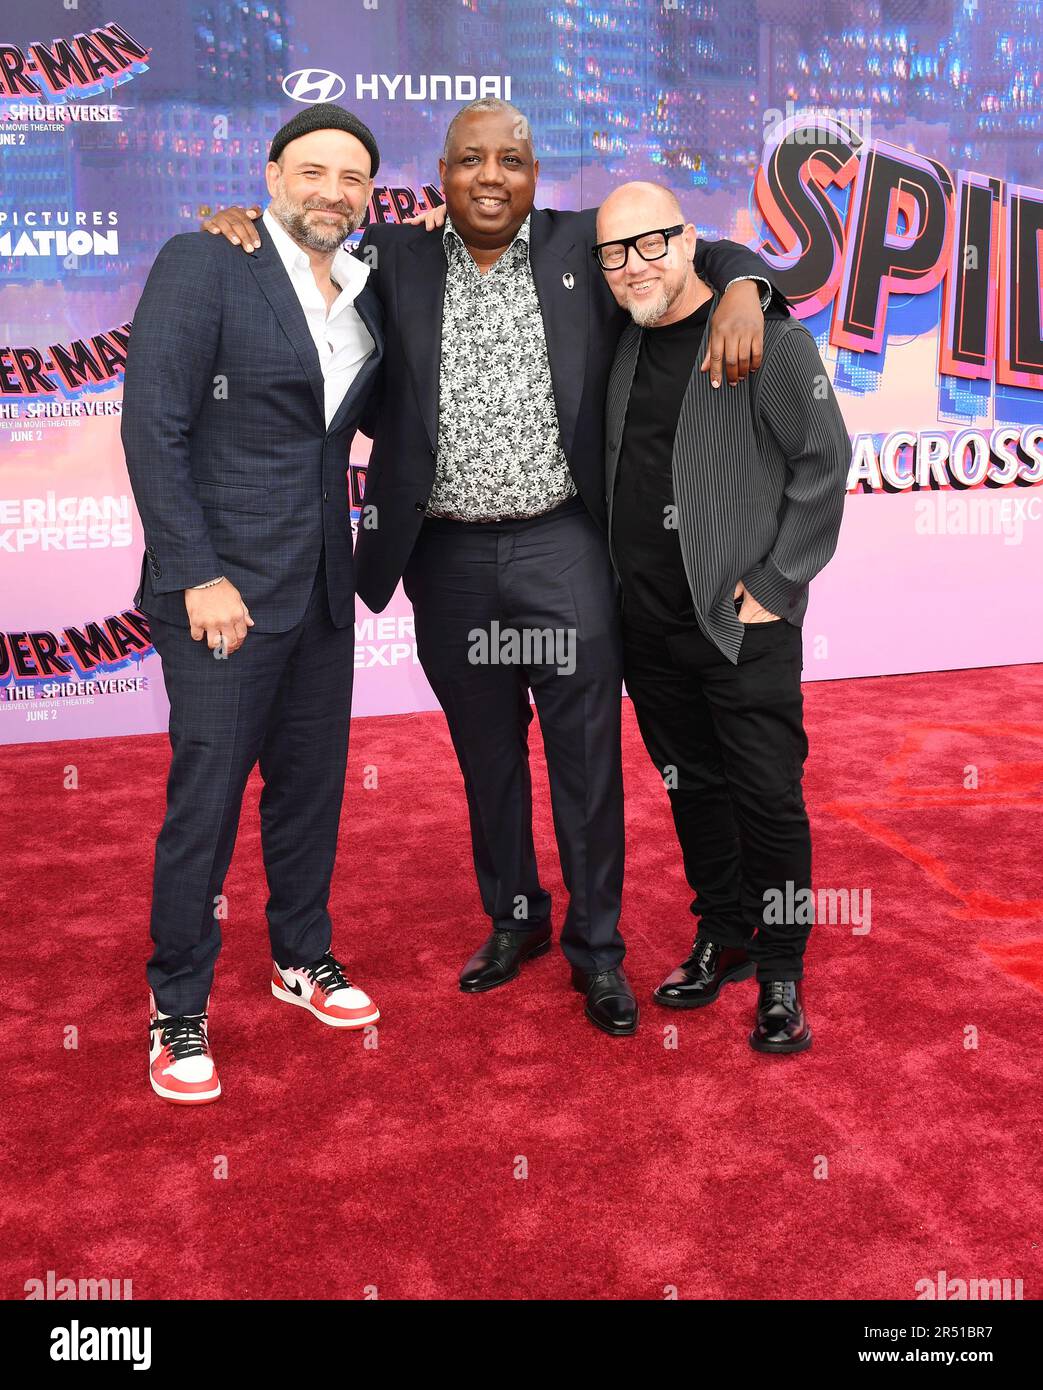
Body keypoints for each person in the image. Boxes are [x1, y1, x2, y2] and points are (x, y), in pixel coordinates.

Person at [203, 98, 782, 1038]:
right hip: (448, 556)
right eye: (470, 159)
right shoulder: (388, 258)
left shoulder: (577, 247)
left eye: (510, 160)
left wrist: (751, 285)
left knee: (584, 763)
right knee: (486, 759)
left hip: (564, 549)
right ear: (439, 172)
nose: (489, 176)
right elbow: (291, 252)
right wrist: (232, 224)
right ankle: (517, 921)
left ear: (533, 173)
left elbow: (696, 250)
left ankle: (600, 954)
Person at [123, 104, 385, 1104]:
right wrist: (197, 573)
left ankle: (298, 955)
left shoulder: (366, 287)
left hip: (321, 585)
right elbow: (155, 427)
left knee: (310, 789)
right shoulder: (205, 261)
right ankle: (177, 1000)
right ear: (272, 177)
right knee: (207, 799)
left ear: (369, 192)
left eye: (351, 176)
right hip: (220, 593)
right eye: (311, 170)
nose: (331, 190)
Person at [594, 181, 850, 1053]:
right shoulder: (622, 342)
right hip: (648, 627)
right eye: (614, 252)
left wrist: (776, 587)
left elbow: (823, 463)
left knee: (767, 797)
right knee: (690, 787)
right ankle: (726, 933)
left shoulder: (767, 340)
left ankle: (781, 971)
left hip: (742, 624)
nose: (634, 265)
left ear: (691, 240)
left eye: (653, 243)